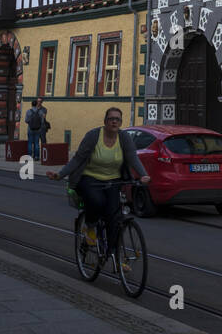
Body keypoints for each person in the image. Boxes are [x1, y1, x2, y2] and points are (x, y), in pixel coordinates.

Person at [47, 108, 149, 255]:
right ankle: (90, 228)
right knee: (97, 201)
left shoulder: (124, 137)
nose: (114, 121)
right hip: (90, 178)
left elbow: (133, 158)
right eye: (111, 119)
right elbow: (78, 159)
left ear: (120, 122)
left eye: (117, 119)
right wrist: (60, 175)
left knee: (114, 217)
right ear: (105, 121)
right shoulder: (93, 136)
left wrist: (144, 175)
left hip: (114, 180)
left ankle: (115, 257)